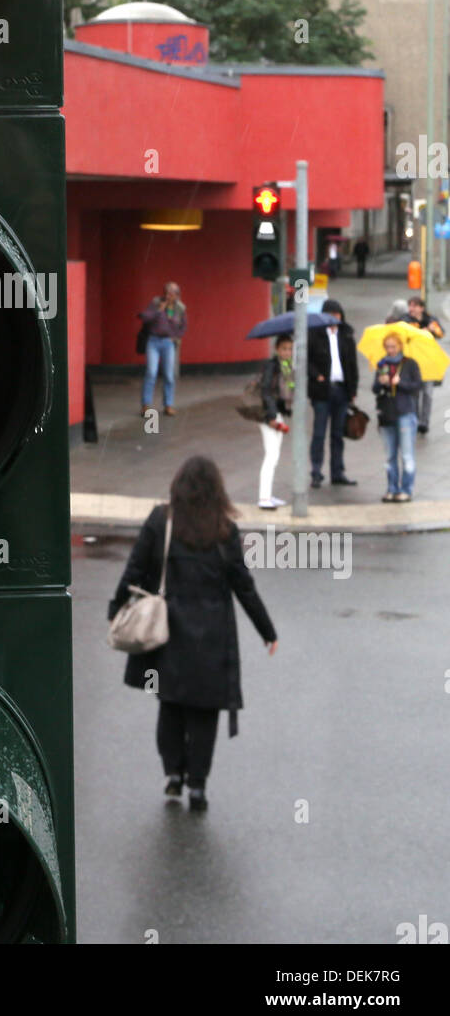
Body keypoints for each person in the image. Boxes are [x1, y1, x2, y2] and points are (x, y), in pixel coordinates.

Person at [107, 456, 278, 812]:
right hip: (212, 638)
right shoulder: (224, 530)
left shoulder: (161, 521)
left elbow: (135, 570)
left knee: (169, 705)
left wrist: (116, 609)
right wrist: (267, 630)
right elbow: (243, 587)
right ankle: (198, 785)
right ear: (218, 491)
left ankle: (173, 774)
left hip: (168, 634)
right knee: (203, 714)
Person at [308, 299, 358, 488]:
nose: (334, 319)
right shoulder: (315, 334)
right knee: (319, 433)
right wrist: (317, 376)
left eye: (336, 315)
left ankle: (337, 472)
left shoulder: (346, 334)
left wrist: (352, 390)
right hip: (322, 391)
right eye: (330, 315)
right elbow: (306, 359)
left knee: (338, 434)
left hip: (342, 391)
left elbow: (352, 364)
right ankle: (316, 472)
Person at [373, 333, 422, 502]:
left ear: (400, 346)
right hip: (386, 413)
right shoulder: (382, 364)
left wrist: (399, 383)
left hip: (405, 413)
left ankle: (406, 489)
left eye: (393, 346)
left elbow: (417, 387)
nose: (390, 350)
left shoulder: (409, 364)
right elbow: (374, 388)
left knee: (407, 455)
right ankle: (391, 488)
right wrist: (381, 381)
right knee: (389, 455)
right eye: (387, 346)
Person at [138, 281, 187, 417]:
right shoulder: (156, 303)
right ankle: (146, 405)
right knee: (151, 372)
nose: (168, 296)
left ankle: (168, 405)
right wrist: (160, 309)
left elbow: (183, 326)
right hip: (153, 341)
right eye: (166, 292)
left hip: (168, 343)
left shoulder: (180, 308)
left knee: (169, 375)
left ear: (177, 295)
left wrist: (176, 336)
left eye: (172, 293)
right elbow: (146, 318)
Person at [258, 334, 294, 510]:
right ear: (277, 349)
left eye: (289, 349)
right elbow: (266, 391)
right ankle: (264, 497)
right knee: (271, 455)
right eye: (284, 349)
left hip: (278, 414)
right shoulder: (272, 366)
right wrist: (272, 416)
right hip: (270, 416)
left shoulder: (286, 367)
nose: (287, 352)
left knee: (275, 455)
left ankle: (268, 494)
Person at [401, 294, 444, 434]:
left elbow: (441, 333)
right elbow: (402, 336)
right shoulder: (405, 320)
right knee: (414, 393)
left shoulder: (431, 319)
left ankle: (424, 422)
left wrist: (433, 329)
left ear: (421, 308)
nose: (411, 309)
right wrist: (420, 333)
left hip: (428, 363)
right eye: (410, 305)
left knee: (428, 393)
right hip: (413, 363)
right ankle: (415, 419)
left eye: (414, 306)